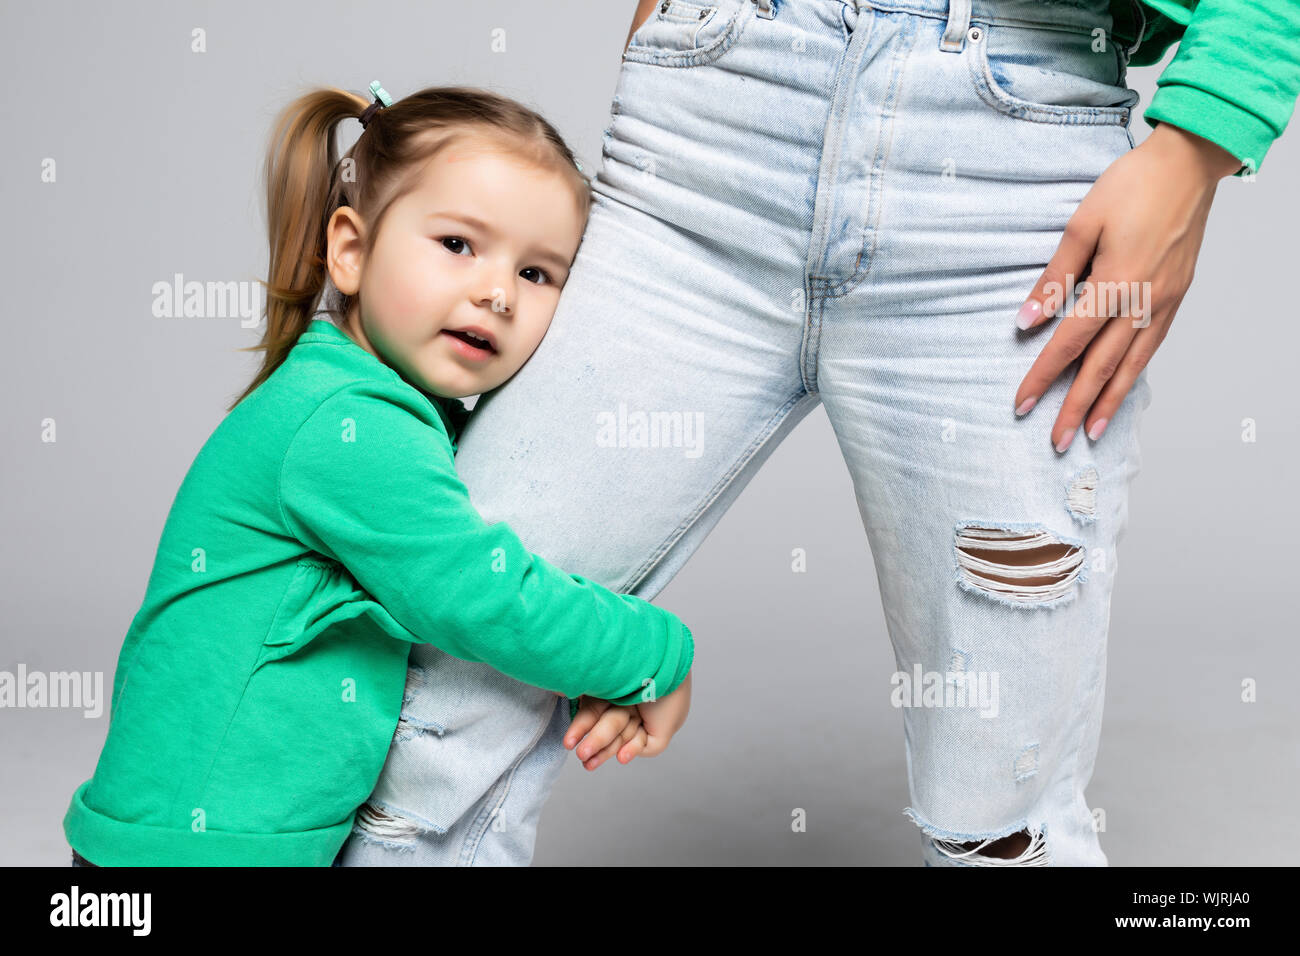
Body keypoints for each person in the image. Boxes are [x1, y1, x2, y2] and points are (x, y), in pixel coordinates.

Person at [339, 0, 1299, 866]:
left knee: (1003, 823)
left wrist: (1202, 139)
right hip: (714, 122)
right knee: (441, 707)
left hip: (1011, 172)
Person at [63, 82, 695, 867]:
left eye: (538, 274)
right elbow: (480, 595)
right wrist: (655, 654)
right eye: (459, 244)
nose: (497, 292)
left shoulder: (377, 405)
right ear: (351, 251)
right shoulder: (346, 424)